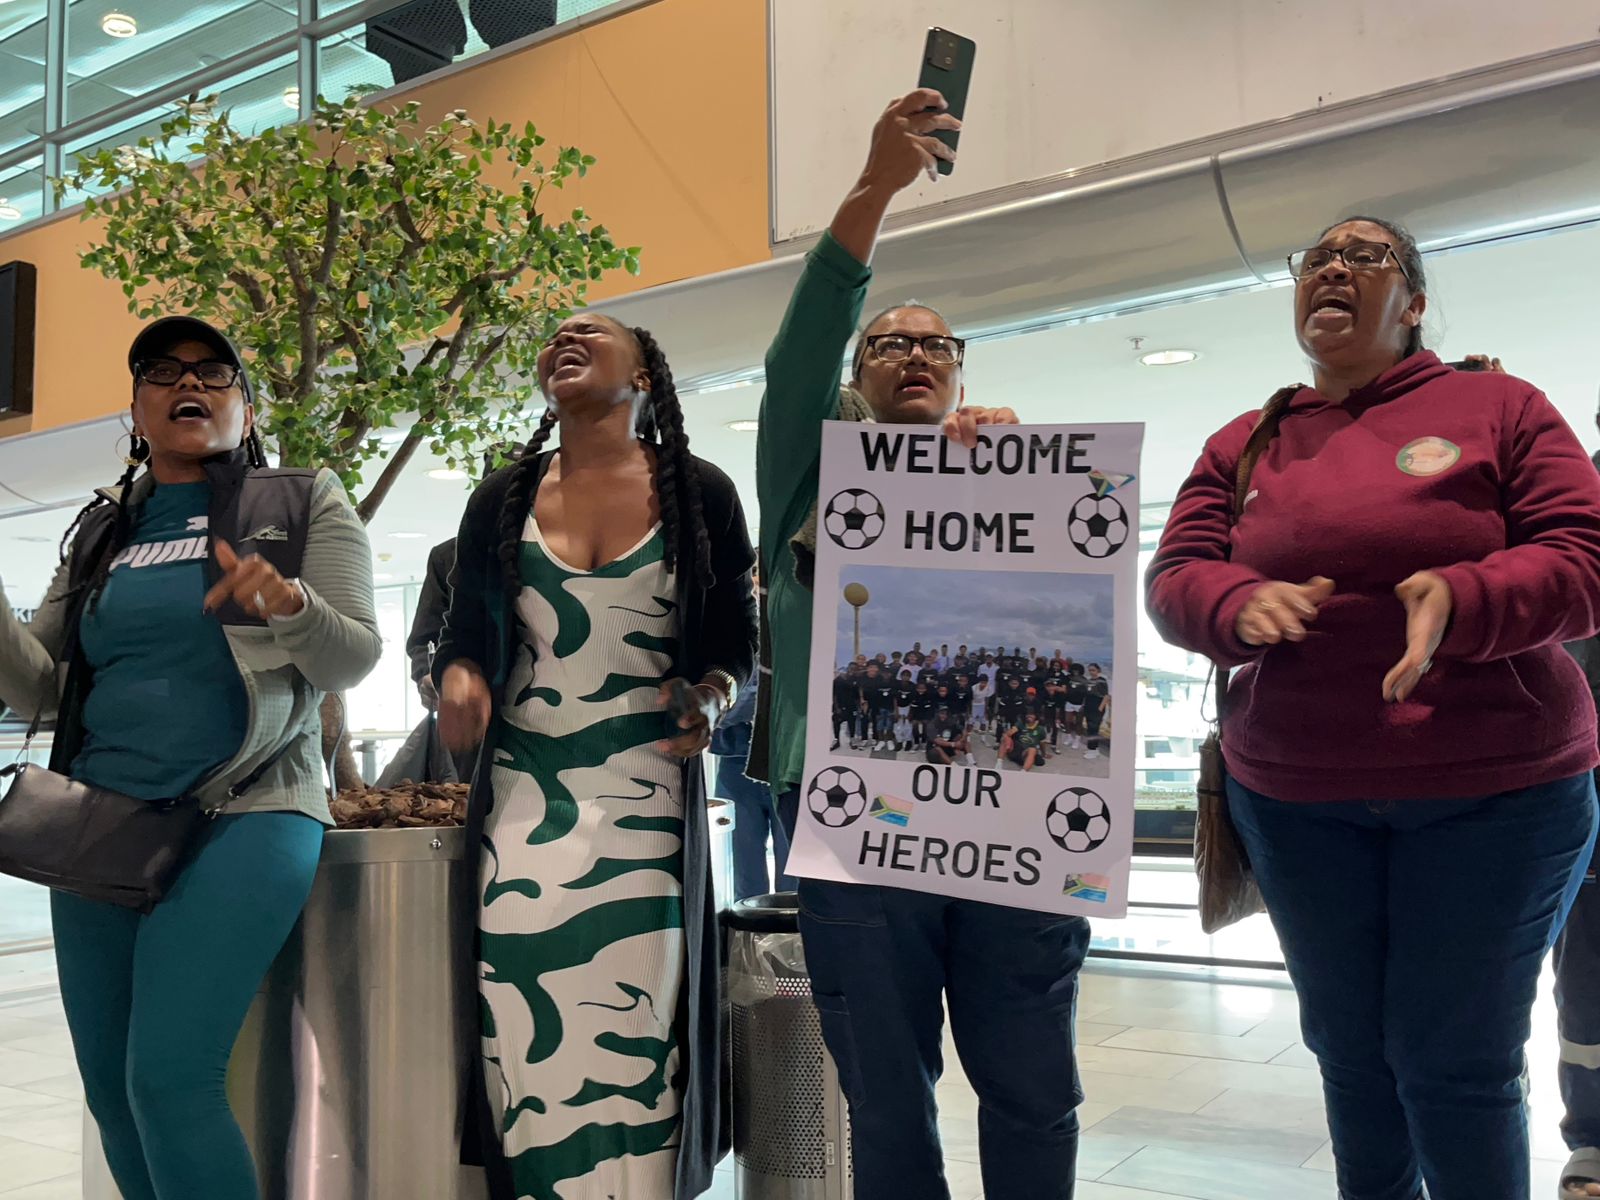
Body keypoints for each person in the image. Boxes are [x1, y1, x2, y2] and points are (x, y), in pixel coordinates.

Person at [1146, 216, 1600, 1200]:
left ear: (1416, 302)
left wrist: (1464, 598)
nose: (1334, 269)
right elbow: (1176, 573)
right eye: (1315, 259)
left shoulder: (1500, 406)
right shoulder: (1244, 442)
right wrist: (1232, 603)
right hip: (1301, 804)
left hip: (1498, 797)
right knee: (1351, 1057)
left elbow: (1583, 554)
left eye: (1365, 255)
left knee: (1453, 1065)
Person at [751, 89, 1088, 1200]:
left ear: (959, 370)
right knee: (885, 1089)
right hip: (855, 816)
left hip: (1013, 812)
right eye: (888, 341)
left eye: (933, 345)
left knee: (1032, 1077)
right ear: (858, 370)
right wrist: (874, 188)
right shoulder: (807, 468)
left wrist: (1007, 473)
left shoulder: (1013, 472)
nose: (912, 356)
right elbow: (801, 348)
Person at [0, 316, 381, 1200]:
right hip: (99, 824)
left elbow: (353, 656)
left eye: (215, 374)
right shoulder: (106, 529)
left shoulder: (299, 501)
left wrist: (289, 603)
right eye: (165, 372)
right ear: (136, 409)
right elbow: (43, 685)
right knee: (114, 1096)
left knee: (170, 1081)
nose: (191, 385)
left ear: (245, 410)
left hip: (247, 812)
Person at [433, 312, 757, 1200]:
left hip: (646, 810)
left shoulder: (703, 493)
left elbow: (739, 644)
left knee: (643, 1039)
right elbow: (460, 638)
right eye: (552, 335)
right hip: (523, 815)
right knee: (522, 1040)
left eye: (592, 331)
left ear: (647, 375)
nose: (562, 339)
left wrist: (716, 696)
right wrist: (459, 678)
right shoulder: (501, 498)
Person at [713, 644, 794, 902]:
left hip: (788, 765)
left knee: (795, 878)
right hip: (736, 763)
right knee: (743, 875)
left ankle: (793, 941)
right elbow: (717, 714)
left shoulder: (799, 631)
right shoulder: (731, 637)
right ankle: (746, 940)